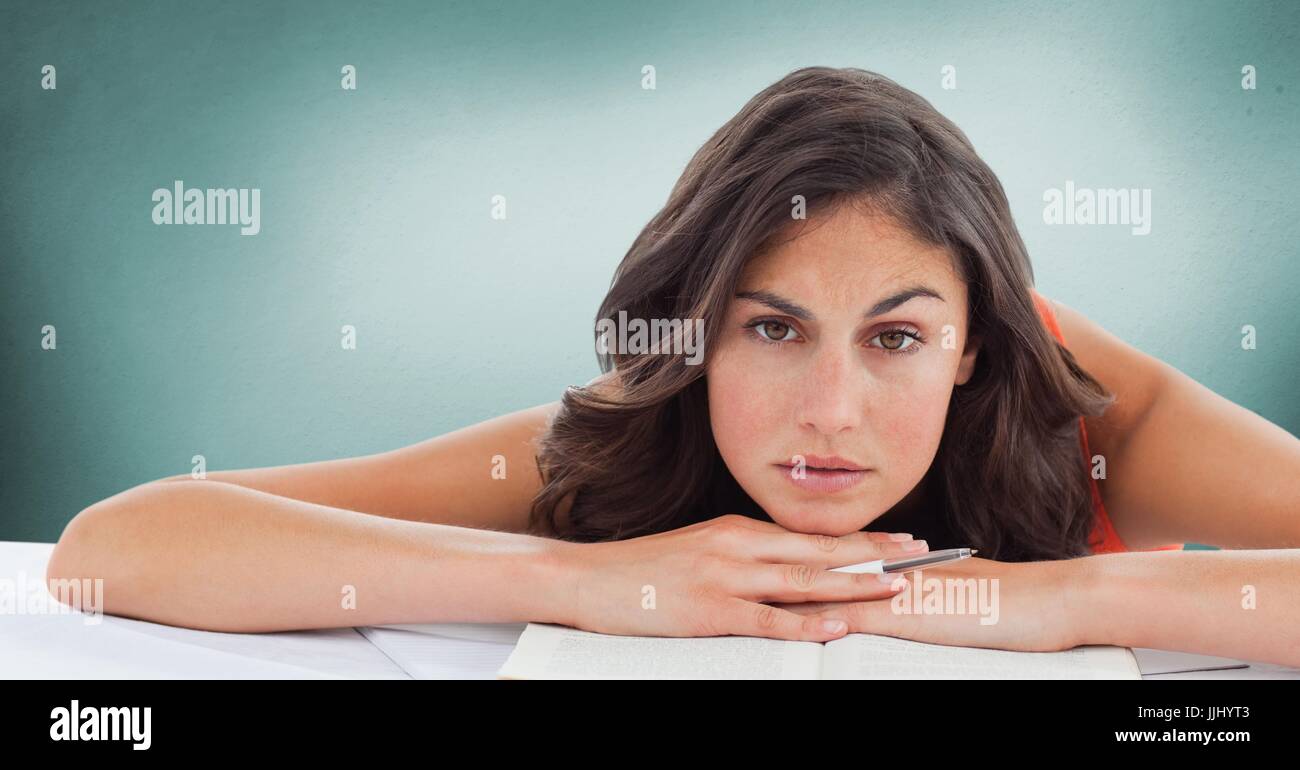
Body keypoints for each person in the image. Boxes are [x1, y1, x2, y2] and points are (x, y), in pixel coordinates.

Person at [46, 67, 1300, 666]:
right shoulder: (644, 435)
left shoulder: (1084, 413)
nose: (830, 409)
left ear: (975, 343)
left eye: (897, 337)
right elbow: (116, 545)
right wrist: (587, 579)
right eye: (769, 327)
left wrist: (1059, 601)